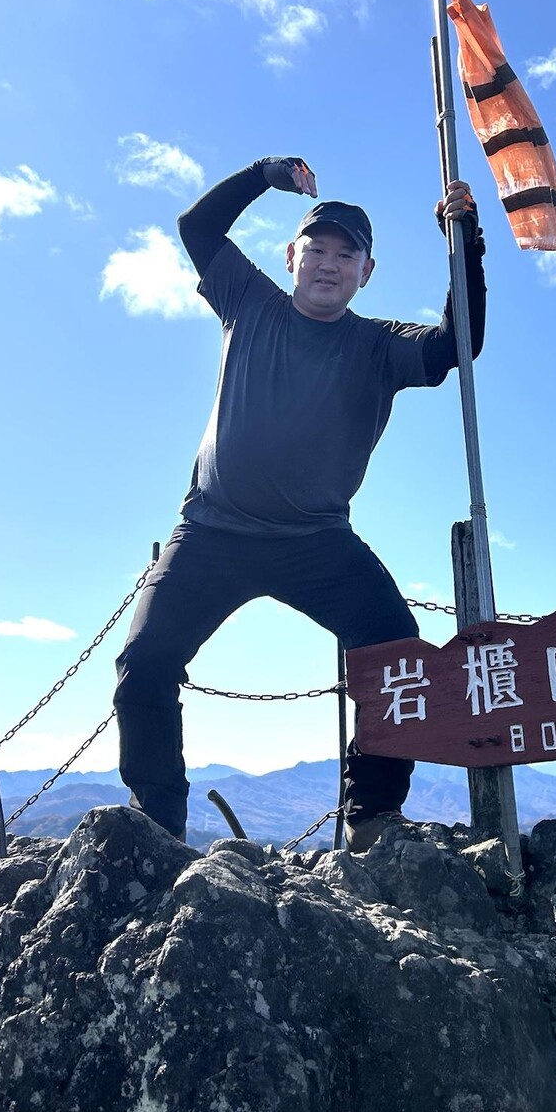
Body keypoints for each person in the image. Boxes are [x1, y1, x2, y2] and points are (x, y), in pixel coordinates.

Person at [113, 156, 486, 852]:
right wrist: (264, 175)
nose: (329, 263)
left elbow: (457, 346)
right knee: (144, 665)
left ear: (367, 273)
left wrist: (465, 242)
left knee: (396, 652)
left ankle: (372, 814)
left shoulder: (378, 345)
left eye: (347, 255)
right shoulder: (249, 303)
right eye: (317, 248)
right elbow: (197, 226)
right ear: (291, 256)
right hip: (211, 532)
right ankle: (157, 826)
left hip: (316, 542)